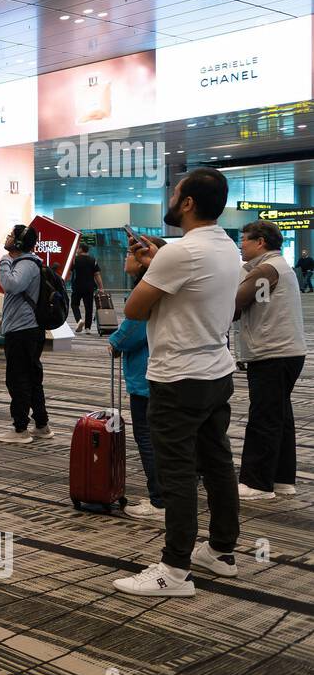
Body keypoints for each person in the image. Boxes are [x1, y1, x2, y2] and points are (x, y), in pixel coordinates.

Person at [114, 168, 242, 598]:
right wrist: (159, 261)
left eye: (176, 194)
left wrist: (141, 269)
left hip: (177, 377)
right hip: (215, 371)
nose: (171, 199)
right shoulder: (226, 247)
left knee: (178, 474)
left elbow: (134, 309)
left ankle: (173, 571)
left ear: (187, 203)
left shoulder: (180, 254)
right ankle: (222, 551)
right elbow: (190, 285)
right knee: (217, 464)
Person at [234, 220, 307, 500]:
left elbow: (235, 304)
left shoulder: (265, 269)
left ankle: (256, 483)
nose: (241, 244)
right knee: (280, 417)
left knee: (264, 417)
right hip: (288, 352)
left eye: (244, 239)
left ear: (260, 242)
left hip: (271, 353)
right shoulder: (277, 266)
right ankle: (281, 479)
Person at [109, 236, 167, 521]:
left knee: (148, 436)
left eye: (130, 254)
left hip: (149, 375)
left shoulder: (147, 289)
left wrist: (114, 342)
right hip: (173, 371)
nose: (126, 258)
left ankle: (159, 499)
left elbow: (133, 330)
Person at [0, 224, 53, 444]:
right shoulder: (30, 262)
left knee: (17, 380)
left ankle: (20, 429)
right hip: (27, 329)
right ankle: (41, 425)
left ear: (18, 242)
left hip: (23, 331)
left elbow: (11, 284)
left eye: (11, 235)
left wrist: (4, 260)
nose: (7, 237)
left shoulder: (26, 263)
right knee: (31, 378)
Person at [70, 243, 104, 333]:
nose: (77, 250)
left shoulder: (75, 260)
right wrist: (101, 288)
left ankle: (79, 320)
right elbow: (97, 275)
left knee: (74, 304)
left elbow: (70, 273)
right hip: (89, 287)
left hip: (77, 286)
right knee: (89, 307)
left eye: (78, 249)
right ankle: (88, 328)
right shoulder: (93, 260)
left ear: (81, 249)